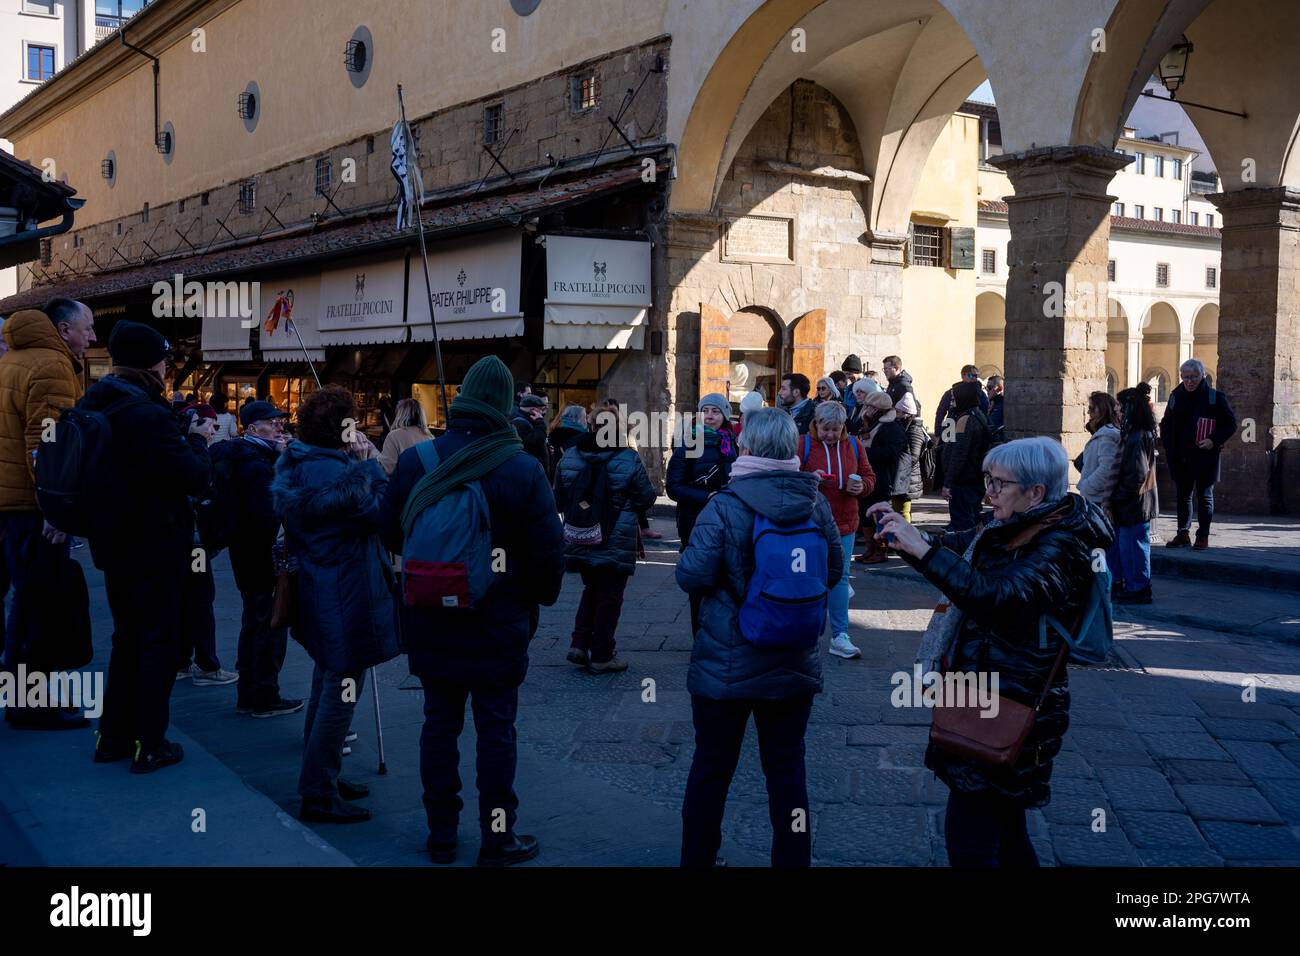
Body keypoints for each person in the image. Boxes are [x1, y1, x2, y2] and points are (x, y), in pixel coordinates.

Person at [867, 436, 1112, 867]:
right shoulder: (1018, 525)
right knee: (1007, 832)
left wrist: (921, 549)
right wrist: (905, 535)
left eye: (1000, 484)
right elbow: (962, 546)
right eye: (988, 480)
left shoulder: (1060, 545)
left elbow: (997, 597)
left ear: (1036, 492)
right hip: (988, 691)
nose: (988, 492)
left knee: (970, 841)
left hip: (1013, 700)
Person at [380, 355, 564, 865]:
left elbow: (390, 530)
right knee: (496, 730)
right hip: (498, 618)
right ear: (504, 406)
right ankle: (497, 836)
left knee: (438, 724)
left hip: (431, 614)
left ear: (461, 401)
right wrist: (534, 601)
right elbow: (549, 552)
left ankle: (441, 835)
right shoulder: (523, 467)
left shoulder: (420, 460)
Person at [676, 408, 842, 868]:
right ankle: (793, 860)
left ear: (747, 448)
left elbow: (691, 577)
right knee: (788, 770)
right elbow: (833, 571)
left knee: (711, 769)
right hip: (793, 658)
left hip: (726, 662)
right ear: (791, 449)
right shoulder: (815, 502)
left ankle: (699, 859)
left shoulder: (725, 505)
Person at [81, 321, 211, 772]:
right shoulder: (146, 414)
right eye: (164, 357)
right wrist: (198, 440)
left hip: (112, 540)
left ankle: (112, 736)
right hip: (153, 541)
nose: (167, 365)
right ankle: (150, 742)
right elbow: (193, 476)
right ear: (150, 362)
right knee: (158, 641)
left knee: (127, 638)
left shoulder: (95, 400)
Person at [271, 386, 399, 824]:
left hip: (319, 586)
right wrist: (371, 465)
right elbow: (382, 514)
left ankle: (322, 774)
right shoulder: (341, 476)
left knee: (328, 681)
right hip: (345, 589)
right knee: (340, 692)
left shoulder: (301, 462)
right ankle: (319, 791)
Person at [0, 299, 96, 729]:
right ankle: (32, 705)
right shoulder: (52, 367)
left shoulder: (11, 361)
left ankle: (21, 697)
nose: (92, 338)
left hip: (8, 505)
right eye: (86, 329)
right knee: (37, 606)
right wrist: (56, 513)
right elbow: (46, 446)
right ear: (63, 330)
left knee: (23, 601)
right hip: (29, 508)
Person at [209, 400, 303, 718]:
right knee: (270, 621)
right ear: (252, 428)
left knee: (254, 619)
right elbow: (267, 514)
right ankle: (264, 694)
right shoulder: (256, 462)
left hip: (244, 552)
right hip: (262, 554)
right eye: (271, 422)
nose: (280, 426)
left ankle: (249, 691)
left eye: (281, 421)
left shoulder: (242, 455)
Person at [554, 405, 657, 673]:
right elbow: (646, 497)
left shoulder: (571, 456)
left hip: (580, 536)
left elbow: (559, 497)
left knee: (592, 589)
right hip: (614, 539)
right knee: (610, 595)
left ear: (592, 427)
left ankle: (578, 643)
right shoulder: (628, 458)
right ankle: (601, 654)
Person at [799, 400, 873, 658]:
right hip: (812, 523)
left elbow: (869, 476)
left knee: (840, 577)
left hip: (845, 521)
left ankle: (840, 635)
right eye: (825, 428)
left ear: (843, 426)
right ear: (816, 424)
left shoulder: (853, 445)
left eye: (836, 429)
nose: (830, 434)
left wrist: (861, 486)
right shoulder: (803, 444)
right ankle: (805, 631)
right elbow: (789, 476)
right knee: (809, 577)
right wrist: (810, 478)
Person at [176, 404, 237, 687]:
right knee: (200, 599)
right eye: (210, 426)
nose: (213, 431)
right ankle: (206, 664)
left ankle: (184, 660)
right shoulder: (191, 448)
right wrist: (198, 439)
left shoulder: (180, 446)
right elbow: (198, 480)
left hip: (187, 539)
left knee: (189, 599)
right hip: (193, 542)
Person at [666, 394, 738, 633]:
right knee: (699, 576)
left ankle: (723, 634)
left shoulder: (733, 444)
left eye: (715, 411)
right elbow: (673, 487)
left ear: (725, 416)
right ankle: (700, 633)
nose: (709, 415)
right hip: (694, 520)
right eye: (705, 410)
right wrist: (705, 496)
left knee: (728, 576)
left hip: (729, 520)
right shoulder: (687, 444)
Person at [1160, 358, 1236, 549]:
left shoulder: (1215, 397)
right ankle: (1183, 533)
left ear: (1202, 376)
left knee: (1204, 496)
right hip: (1181, 457)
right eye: (1186, 377)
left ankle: (1203, 535)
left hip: (1205, 457)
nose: (1189, 381)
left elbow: (1230, 424)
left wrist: (1213, 440)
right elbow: (1166, 423)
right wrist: (1168, 445)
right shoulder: (1175, 396)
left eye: (1193, 377)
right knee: (1183, 496)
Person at [1112, 383, 1157, 604]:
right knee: (1130, 545)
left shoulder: (1137, 437)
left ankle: (1138, 586)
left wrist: (1120, 494)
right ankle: (1134, 584)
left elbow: (1137, 473)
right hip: (1135, 500)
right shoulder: (1137, 434)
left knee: (1134, 546)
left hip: (1135, 501)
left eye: (1120, 407)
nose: (1118, 411)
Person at [857, 391, 905, 565]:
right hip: (867, 478)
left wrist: (864, 453)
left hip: (882, 478)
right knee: (865, 514)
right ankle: (870, 548)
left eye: (871, 407)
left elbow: (891, 454)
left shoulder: (891, 427)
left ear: (880, 409)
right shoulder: (869, 424)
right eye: (866, 406)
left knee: (879, 515)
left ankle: (881, 549)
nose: (867, 410)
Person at [941, 380, 993, 532]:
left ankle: (964, 553)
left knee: (963, 524)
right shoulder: (973, 414)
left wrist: (948, 483)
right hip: (972, 478)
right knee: (971, 519)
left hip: (964, 480)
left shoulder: (966, 419)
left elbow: (958, 453)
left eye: (954, 399)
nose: (951, 402)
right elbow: (947, 438)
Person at [1075, 391, 1122, 519]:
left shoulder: (1107, 435)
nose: (1089, 412)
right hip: (1097, 498)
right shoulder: (1104, 433)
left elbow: (1107, 469)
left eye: (1092, 408)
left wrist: (1087, 487)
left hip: (1098, 499)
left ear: (1102, 410)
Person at [893, 393, 927, 523]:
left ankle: (905, 535)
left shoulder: (914, 430)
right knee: (898, 509)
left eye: (898, 411)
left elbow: (913, 456)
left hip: (907, 477)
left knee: (903, 510)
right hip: (902, 476)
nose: (896, 414)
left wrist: (896, 462)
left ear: (906, 413)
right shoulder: (904, 426)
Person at [377, 397, 432, 476]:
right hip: (424, 485)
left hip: (404, 485)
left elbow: (387, 469)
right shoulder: (429, 436)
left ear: (400, 414)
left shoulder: (394, 436)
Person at [933, 365, 989, 435]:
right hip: (952, 424)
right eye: (971, 376)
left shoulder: (980, 393)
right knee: (948, 445)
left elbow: (985, 410)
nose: (974, 378)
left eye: (976, 376)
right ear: (963, 376)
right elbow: (940, 412)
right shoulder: (951, 393)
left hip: (972, 426)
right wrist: (938, 432)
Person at [512, 392, 551, 478]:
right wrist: (540, 423)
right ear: (533, 410)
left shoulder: (528, 422)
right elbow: (536, 443)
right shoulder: (520, 424)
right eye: (540, 410)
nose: (542, 413)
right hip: (530, 474)